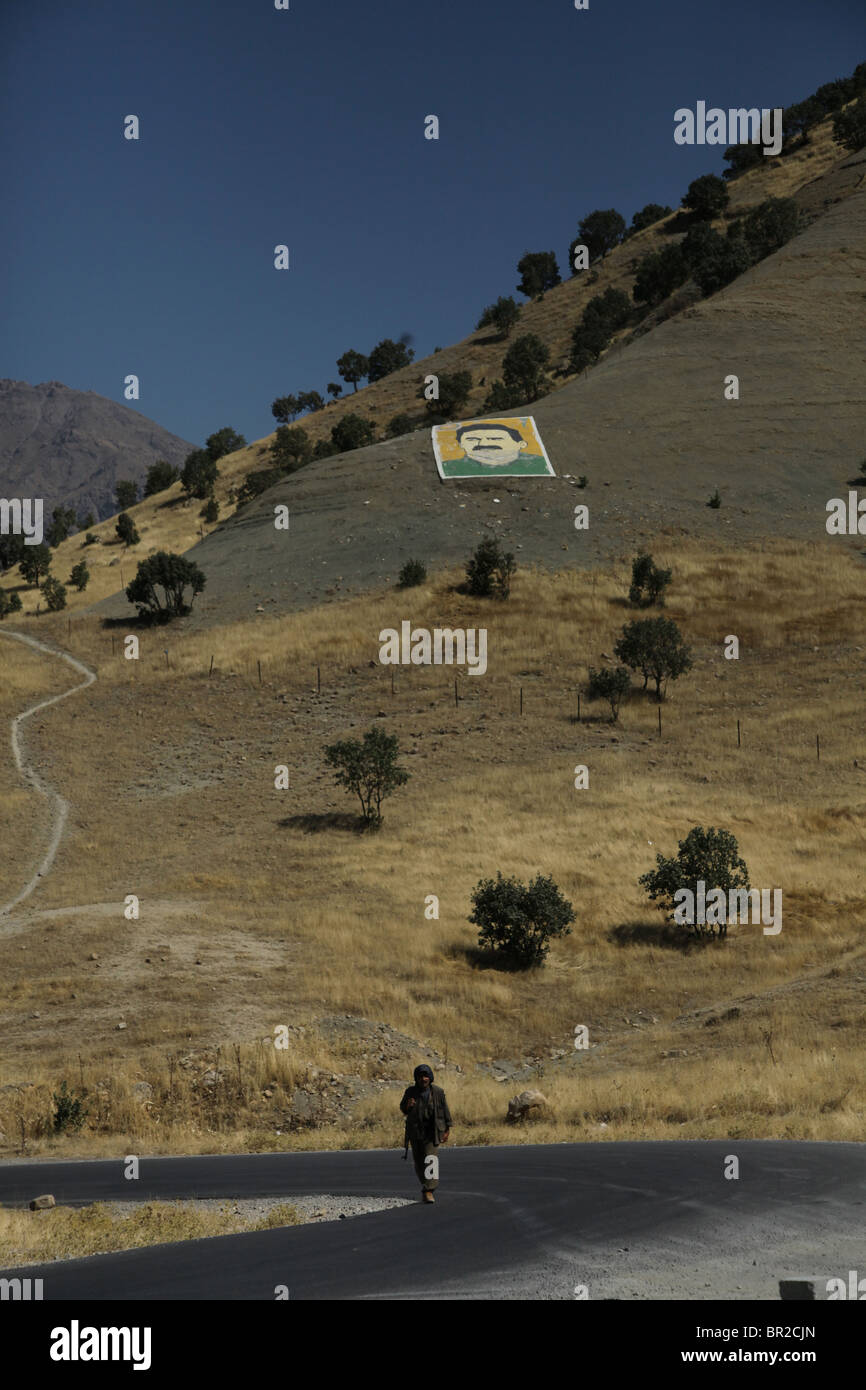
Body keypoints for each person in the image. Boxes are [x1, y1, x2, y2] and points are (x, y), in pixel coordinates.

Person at [400, 1064, 452, 1204]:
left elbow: (445, 1111)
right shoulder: (410, 1092)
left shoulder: (438, 1092)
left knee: (431, 1160)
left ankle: (428, 1190)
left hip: (432, 1132)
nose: (423, 1079)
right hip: (416, 1132)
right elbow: (403, 1108)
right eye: (420, 1076)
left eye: (426, 1076)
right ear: (416, 1078)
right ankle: (426, 1184)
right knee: (419, 1163)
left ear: (430, 1077)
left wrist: (447, 1129)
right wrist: (408, 1105)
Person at [439, 421, 552, 477]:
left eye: (495, 438)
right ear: (460, 444)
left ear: (521, 444)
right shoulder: (450, 466)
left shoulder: (538, 463)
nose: (483, 443)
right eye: (472, 439)